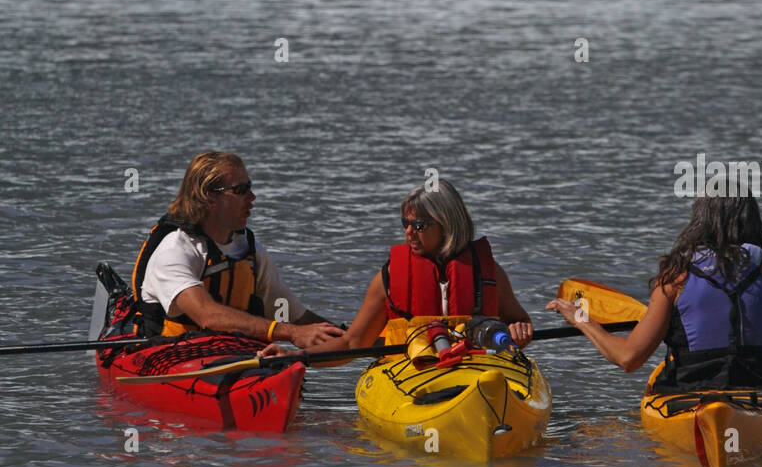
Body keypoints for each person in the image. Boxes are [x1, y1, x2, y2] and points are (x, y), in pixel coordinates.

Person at [546, 193, 762, 387]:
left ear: (700, 221)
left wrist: (581, 319)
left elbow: (628, 358)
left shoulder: (676, 277)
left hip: (695, 391)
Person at [131, 151, 345, 351]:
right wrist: (290, 333)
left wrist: (352, 338)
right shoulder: (175, 251)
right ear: (209, 196)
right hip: (171, 354)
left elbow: (292, 315)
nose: (252, 197)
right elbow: (208, 315)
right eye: (240, 190)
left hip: (231, 355)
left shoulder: (252, 254)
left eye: (250, 188)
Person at [339, 178, 534, 349]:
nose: (409, 232)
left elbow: (518, 320)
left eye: (419, 225)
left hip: (478, 370)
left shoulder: (489, 274)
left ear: (447, 224)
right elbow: (351, 343)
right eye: (405, 223)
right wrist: (308, 354)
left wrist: (519, 331)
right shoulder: (388, 279)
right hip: (412, 373)